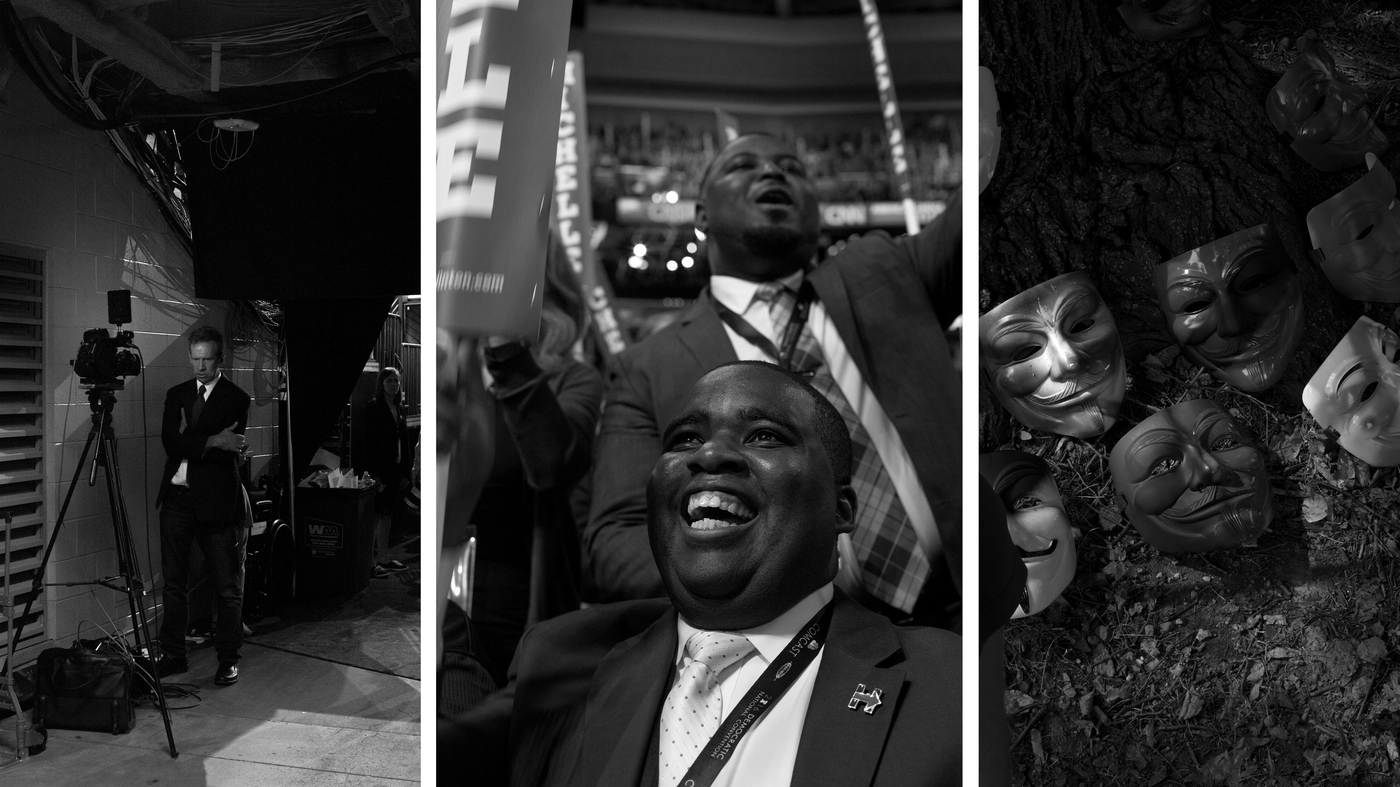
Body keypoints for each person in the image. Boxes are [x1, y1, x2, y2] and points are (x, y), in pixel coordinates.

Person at [444, 362, 961, 787]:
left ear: (841, 510)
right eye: (686, 438)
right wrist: (447, 516)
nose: (710, 453)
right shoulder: (564, 658)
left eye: (764, 436)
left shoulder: (948, 684)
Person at [587, 132, 962, 630]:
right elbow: (616, 541)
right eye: (743, 165)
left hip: (972, 600)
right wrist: (755, 584)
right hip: (794, 644)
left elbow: (978, 201)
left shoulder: (885, 267)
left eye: (792, 167)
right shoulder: (647, 366)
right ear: (701, 215)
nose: (772, 172)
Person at [440, 231, 605, 690]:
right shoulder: (448, 370)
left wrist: (505, 351)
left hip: (519, 624)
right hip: (443, 608)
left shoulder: (572, 380)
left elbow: (554, 465)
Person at [155, 326, 251, 686]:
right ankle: (173, 654)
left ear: (219, 358)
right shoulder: (176, 394)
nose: (200, 366)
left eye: (207, 359)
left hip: (216, 501)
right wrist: (212, 440)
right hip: (177, 499)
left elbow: (230, 447)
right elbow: (170, 443)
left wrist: (191, 437)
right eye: (195, 359)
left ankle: (228, 658)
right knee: (174, 583)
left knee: (227, 586)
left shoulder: (236, 398)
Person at [363, 365, 412, 577]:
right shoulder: (374, 407)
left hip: (395, 468)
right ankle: (370, 562)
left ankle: (383, 557)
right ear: (381, 384)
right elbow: (369, 443)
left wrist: (405, 472)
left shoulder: (400, 409)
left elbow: (404, 441)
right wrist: (373, 472)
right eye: (389, 381)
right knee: (375, 515)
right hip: (380, 469)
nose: (393, 384)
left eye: (396, 381)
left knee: (387, 514)